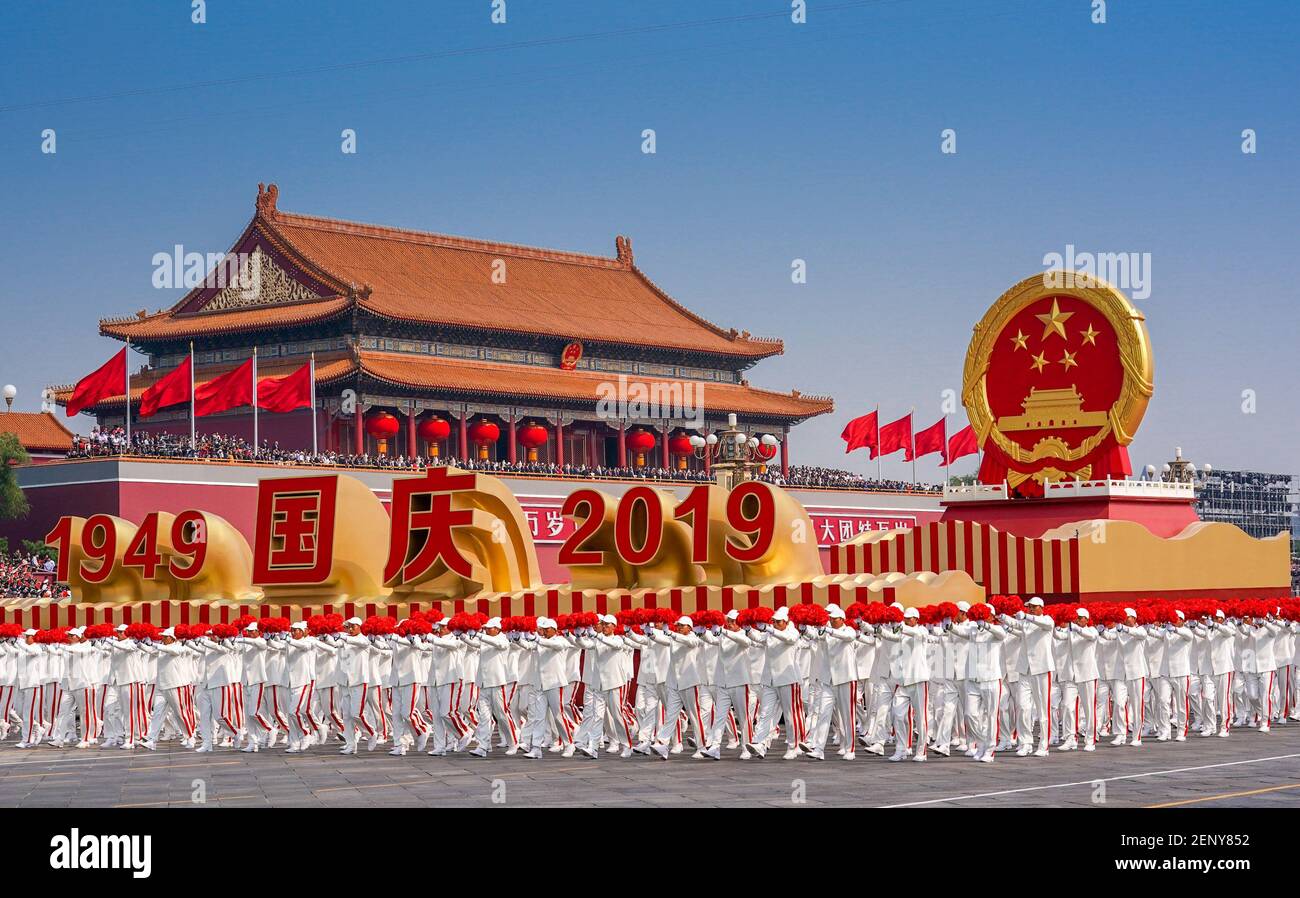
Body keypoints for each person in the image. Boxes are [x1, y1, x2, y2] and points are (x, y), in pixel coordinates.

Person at [880, 607, 932, 762]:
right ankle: (901, 749)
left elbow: (915, 633)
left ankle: (921, 751)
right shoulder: (902, 633)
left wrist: (901, 627)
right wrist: (873, 628)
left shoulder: (922, 631)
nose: (907, 620)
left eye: (910, 618)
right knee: (897, 714)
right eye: (905, 618)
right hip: (902, 681)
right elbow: (890, 636)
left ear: (916, 619)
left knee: (920, 717)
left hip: (918, 679)